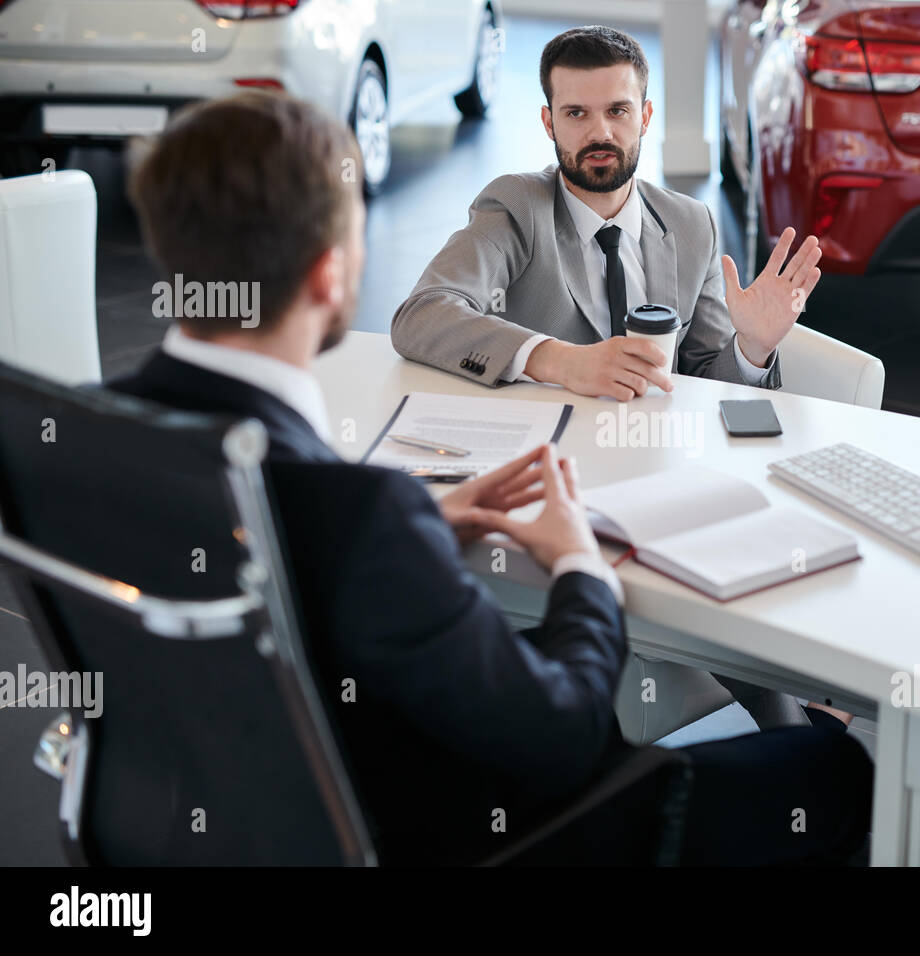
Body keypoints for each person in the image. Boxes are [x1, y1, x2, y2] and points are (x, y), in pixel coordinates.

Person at [112, 90, 872, 865]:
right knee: (832, 770)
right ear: (328, 276)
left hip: (215, 817)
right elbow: (564, 730)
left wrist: (419, 526)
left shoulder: (96, 434)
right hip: (491, 831)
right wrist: (579, 563)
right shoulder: (364, 513)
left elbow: (276, 542)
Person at [394, 23, 825, 729]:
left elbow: (708, 378)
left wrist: (750, 347)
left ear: (645, 116)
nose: (600, 131)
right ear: (548, 121)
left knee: (752, 612)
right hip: (556, 499)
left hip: (666, 484)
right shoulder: (514, 209)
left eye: (618, 111)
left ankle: (800, 737)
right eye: (577, 113)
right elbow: (422, 314)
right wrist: (560, 360)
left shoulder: (688, 225)